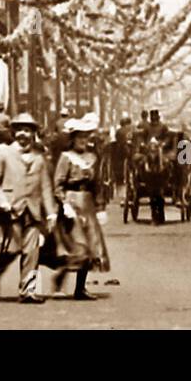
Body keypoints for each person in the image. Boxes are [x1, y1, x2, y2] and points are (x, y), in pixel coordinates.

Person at [0, 113, 58, 303]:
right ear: (13, 132)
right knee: (11, 250)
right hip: (11, 209)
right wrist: (1, 200)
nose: (23, 135)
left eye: (27, 130)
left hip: (33, 211)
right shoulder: (3, 153)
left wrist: (51, 213)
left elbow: (46, 188)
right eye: (19, 130)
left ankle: (27, 290)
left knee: (31, 251)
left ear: (33, 133)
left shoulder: (39, 158)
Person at [52, 115, 111, 300]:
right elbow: (58, 183)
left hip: (87, 203)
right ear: (72, 139)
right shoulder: (65, 158)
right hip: (71, 202)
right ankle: (60, 276)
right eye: (79, 138)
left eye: (86, 138)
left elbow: (97, 185)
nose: (83, 141)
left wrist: (100, 207)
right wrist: (64, 203)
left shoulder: (92, 158)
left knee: (92, 245)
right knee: (77, 245)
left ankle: (80, 288)